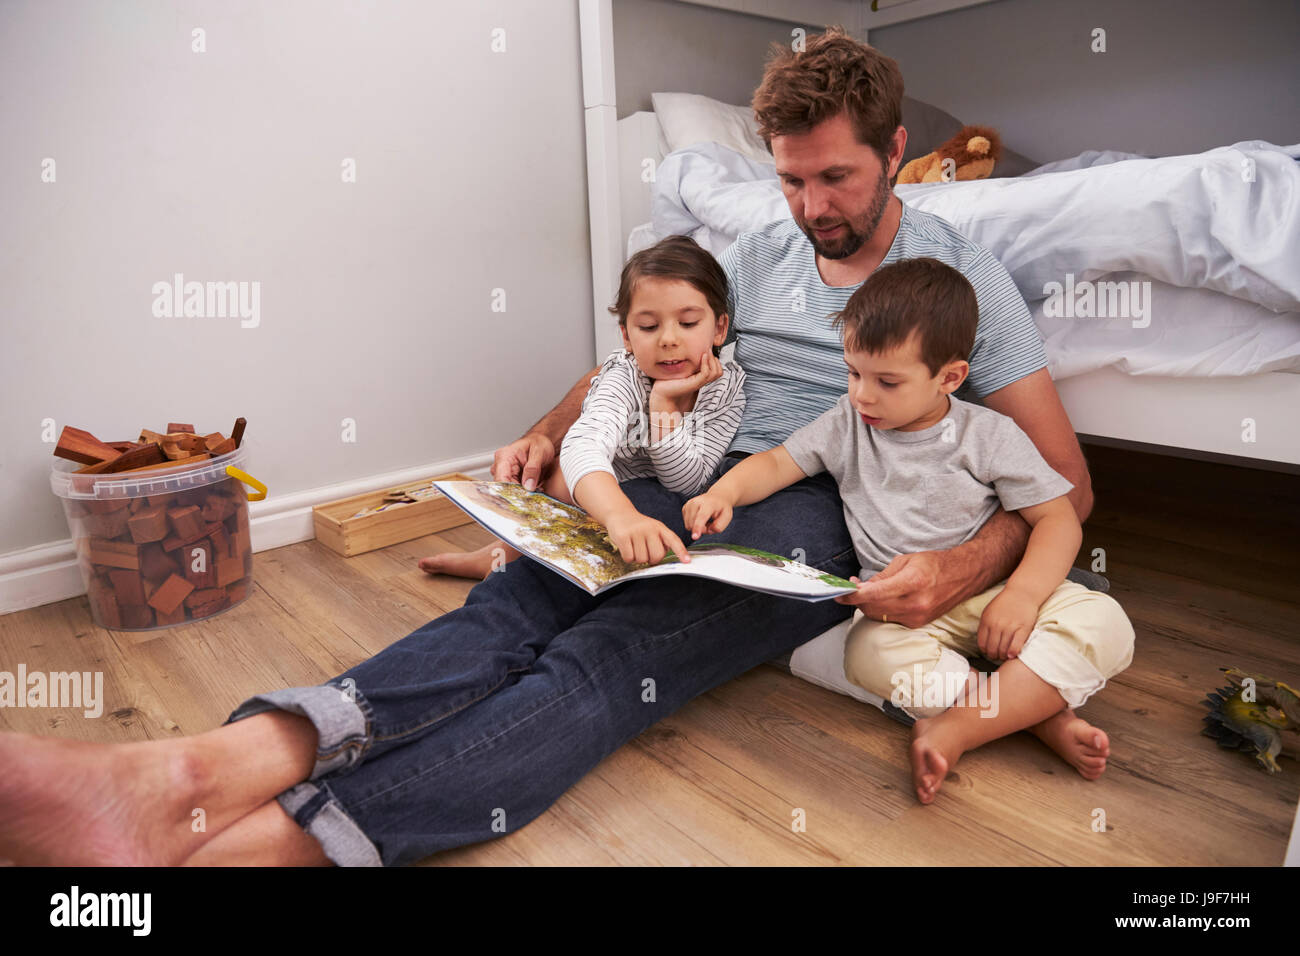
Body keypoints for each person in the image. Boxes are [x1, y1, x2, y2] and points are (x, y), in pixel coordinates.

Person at [0, 27, 1101, 866]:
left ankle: (280, 846)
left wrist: (956, 568)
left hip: (817, 506)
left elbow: (1065, 484)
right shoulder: (761, 248)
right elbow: (650, 360)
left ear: (896, 152)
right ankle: (188, 771)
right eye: (789, 179)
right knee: (512, 607)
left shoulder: (960, 282)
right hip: (692, 467)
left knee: (609, 654)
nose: (810, 206)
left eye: (836, 179)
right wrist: (544, 432)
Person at [682, 257, 1135, 804]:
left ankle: (956, 729)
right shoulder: (847, 423)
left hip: (993, 593)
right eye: (853, 373)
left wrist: (1021, 595)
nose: (862, 395)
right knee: (866, 656)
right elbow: (779, 462)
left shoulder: (987, 434)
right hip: (903, 616)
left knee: (1106, 623)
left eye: (886, 381)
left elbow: (1058, 518)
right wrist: (723, 491)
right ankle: (1037, 717)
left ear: (950, 377)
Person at [420, 236, 745, 578]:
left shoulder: (727, 388)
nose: (668, 339)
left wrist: (662, 404)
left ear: (719, 328)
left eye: (688, 323)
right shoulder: (623, 375)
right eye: (648, 327)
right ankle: (505, 552)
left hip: (653, 489)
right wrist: (619, 513)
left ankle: (503, 555)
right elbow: (583, 446)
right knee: (561, 474)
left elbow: (689, 482)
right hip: (599, 486)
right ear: (627, 337)